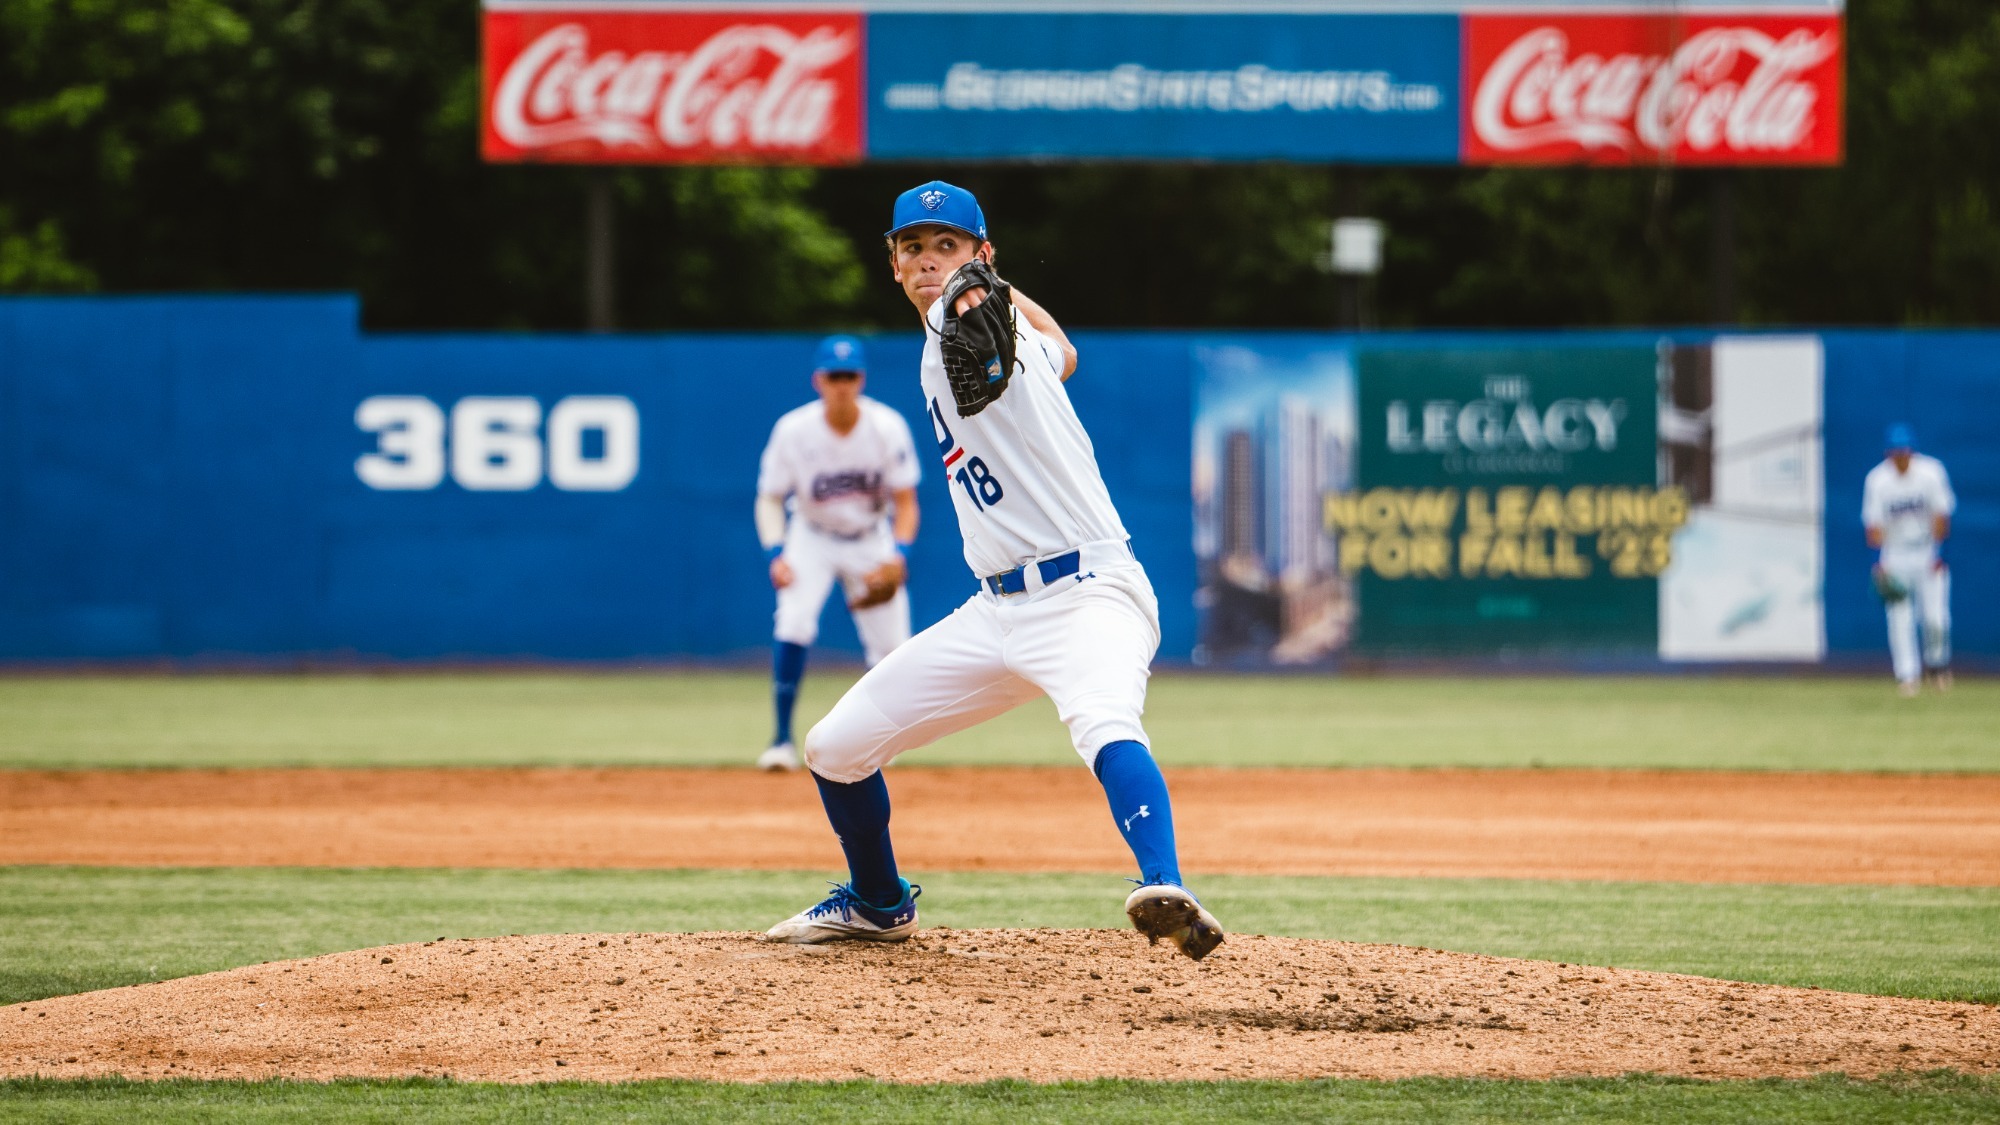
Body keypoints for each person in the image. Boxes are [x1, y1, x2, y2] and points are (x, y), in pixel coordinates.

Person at [762, 180, 1224, 961]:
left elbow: (982, 320)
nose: (929, 261)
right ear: (894, 262)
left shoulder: (964, 314)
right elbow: (1065, 351)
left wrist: (983, 294)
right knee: (834, 747)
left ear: (981, 257)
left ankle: (1165, 885)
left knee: (1105, 721)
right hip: (996, 612)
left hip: (1090, 592)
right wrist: (997, 287)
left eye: (950, 246)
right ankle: (878, 903)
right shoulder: (1003, 329)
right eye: (914, 247)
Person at [753, 335, 921, 771]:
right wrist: (777, 552)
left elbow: (905, 502)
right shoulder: (794, 430)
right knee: (793, 622)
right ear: (818, 380)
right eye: (834, 376)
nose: (842, 384)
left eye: (849, 376)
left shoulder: (887, 427)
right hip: (812, 536)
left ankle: (883, 745)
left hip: (870, 538)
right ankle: (780, 741)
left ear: (861, 379)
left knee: (891, 650)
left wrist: (899, 553)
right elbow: (770, 498)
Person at [1862, 423, 1955, 697]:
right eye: (1895, 452)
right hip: (1896, 554)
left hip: (1927, 551)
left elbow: (1942, 516)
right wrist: (1878, 564)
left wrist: (1940, 554)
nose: (1900, 457)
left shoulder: (1931, 472)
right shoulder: (1878, 480)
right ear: (1888, 453)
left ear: (1911, 451)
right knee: (1899, 619)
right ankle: (1907, 675)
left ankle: (1937, 668)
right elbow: (1873, 526)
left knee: (1936, 616)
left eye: (1904, 451)